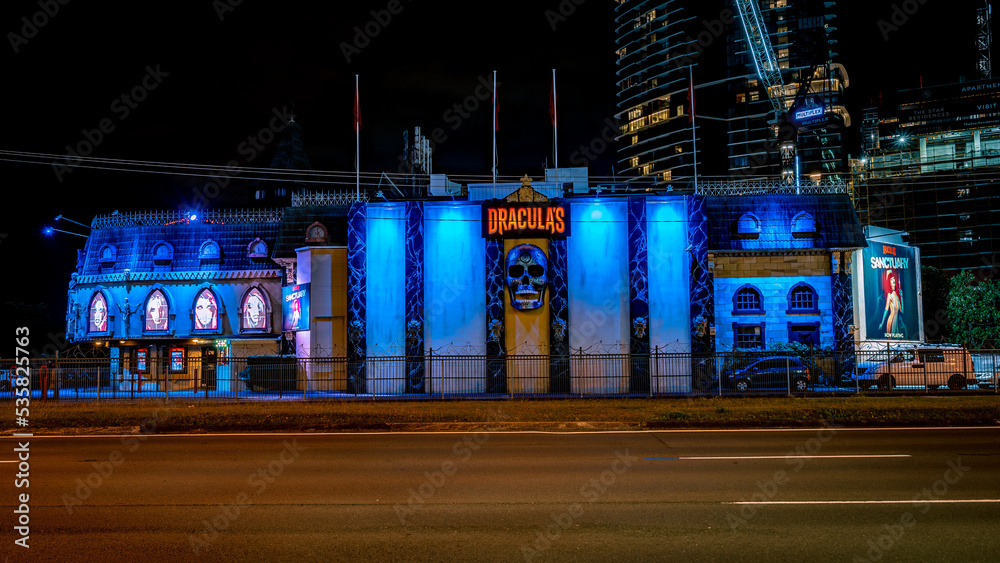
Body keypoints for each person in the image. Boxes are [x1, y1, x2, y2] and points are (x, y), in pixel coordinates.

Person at [877, 269, 905, 339]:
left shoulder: (896, 294)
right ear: (889, 282)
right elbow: (886, 309)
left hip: (897, 323)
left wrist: (901, 297)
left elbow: (902, 310)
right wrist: (882, 323)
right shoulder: (890, 295)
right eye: (891, 279)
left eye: (893, 279)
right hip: (891, 321)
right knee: (892, 343)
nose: (894, 280)